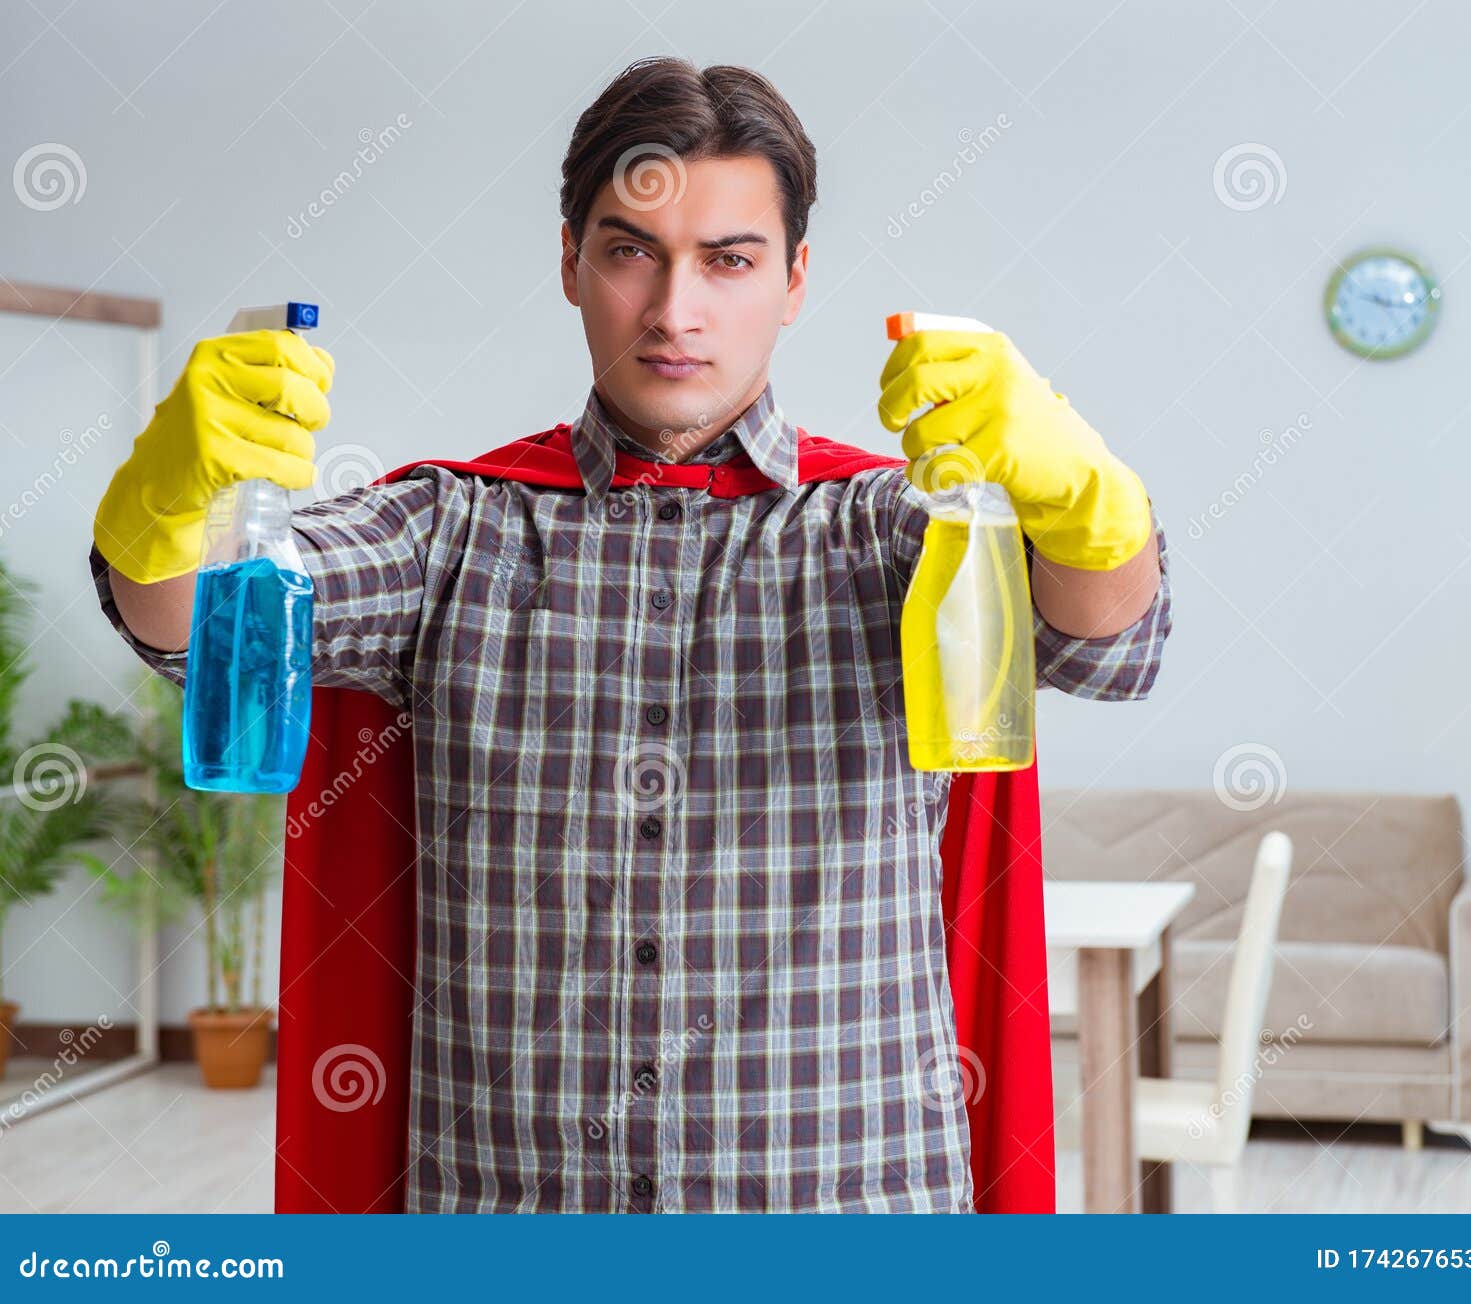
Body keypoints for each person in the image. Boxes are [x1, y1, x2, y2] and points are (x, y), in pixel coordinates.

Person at [88, 56, 1172, 1213]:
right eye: (630, 251)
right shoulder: (448, 530)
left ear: (795, 278)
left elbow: (1109, 638)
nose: (673, 310)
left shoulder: (899, 536)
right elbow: (196, 629)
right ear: (571, 264)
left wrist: (1082, 497)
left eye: (729, 259)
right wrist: (164, 510)